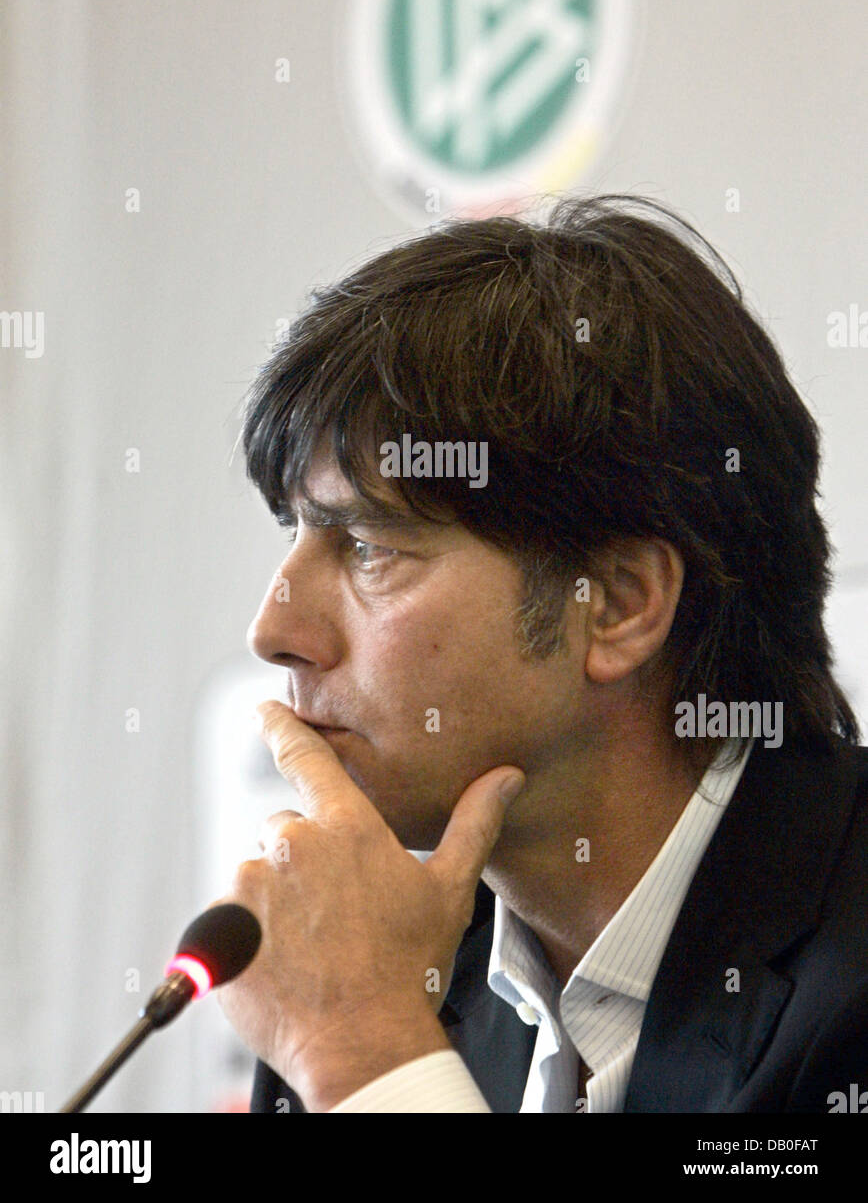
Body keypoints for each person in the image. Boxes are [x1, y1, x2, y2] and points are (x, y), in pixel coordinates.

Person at [216, 195, 868, 1113]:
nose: (274, 629)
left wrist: (368, 1057)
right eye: (295, 532)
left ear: (617, 606)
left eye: (368, 546)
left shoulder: (359, 1010)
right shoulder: (380, 954)